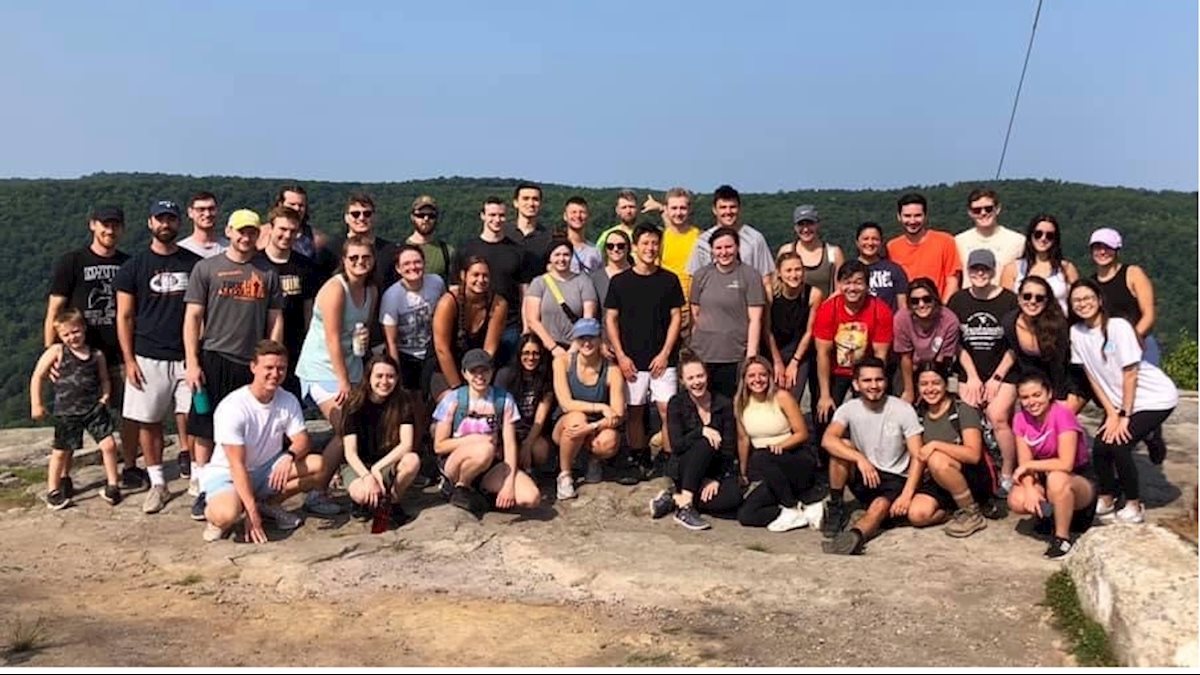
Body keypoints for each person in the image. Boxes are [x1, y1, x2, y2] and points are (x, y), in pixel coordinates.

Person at [184, 209, 284, 522]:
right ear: (228, 231)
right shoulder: (207, 268)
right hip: (214, 355)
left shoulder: (267, 272)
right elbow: (192, 317)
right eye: (240, 231)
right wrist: (191, 361)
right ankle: (203, 488)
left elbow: (275, 319)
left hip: (250, 362)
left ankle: (243, 486)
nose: (246, 237)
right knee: (204, 425)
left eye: (252, 232)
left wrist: (271, 359)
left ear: (259, 234)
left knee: (247, 426)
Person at [45, 204, 141, 490]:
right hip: (77, 356)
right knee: (71, 418)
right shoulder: (72, 262)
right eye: (104, 224)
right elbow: (54, 311)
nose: (109, 230)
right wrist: (52, 354)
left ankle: (131, 467)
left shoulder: (129, 263)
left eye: (115, 225)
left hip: (120, 353)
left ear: (122, 228)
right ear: (92, 225)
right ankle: (63, 477)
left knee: (129, 413)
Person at [115, 200, 202, 512]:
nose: (166, 224)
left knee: (194, 417)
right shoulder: (134, 267)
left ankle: (197, 475)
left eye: (171, 219)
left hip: (188, 356)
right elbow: (124, 316)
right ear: (150, 222)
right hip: (147, 355)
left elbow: (202, 313)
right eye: (160, 219)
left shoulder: (194, 264)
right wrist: (128, 359)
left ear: (179, 223)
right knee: (148, 421)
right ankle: (158, 484)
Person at [1068, 279, 1177, 524]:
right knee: (1099, 447)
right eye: (1077, 300)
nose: (1083, 304)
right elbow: (1092, 376)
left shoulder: (1118, 327)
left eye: (1088, 298)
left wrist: (1124, 416)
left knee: (1120, 445)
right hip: (1119, 403)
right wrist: (1111, 413)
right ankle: (1106, 496)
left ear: (1099, 299)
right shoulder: (1077, 333)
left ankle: (1134, 504)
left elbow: (1131, 373)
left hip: (1154, 398)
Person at [200, 340, 325, 543]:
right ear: (253, 367)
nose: (275, 374)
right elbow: (236, 463)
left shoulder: (288, 399)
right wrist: (249, 513)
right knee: (228, 514)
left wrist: (288, 455)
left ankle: (268, 504)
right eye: (269, 368)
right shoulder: (234, 406)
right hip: (228, 473)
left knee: (318, 465)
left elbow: (302, 439)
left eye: (281, 368)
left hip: (266, 469)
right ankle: (215, 512)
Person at [294, 236, 379, 517]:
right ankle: (316, 491)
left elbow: (358, 333)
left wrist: (362, 346)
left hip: (351, 366)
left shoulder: (371, 291)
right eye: (353, 258)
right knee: (346, 428)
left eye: (365, 258)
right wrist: (343, 381)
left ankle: (340, 478)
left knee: (360, 426)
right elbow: (331, 339)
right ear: (343, 260)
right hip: (322, 369)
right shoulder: (335, 289)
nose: (359, 263)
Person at [820, 357, 926, 555]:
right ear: (856, 384)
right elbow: (827, 440)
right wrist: (860, 459)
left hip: (895, 477)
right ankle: (836, 505)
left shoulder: (902, 409)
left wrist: (906, 494)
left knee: (879, 505)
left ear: (885, 382)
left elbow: (918, 455)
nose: (874, 385)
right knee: (841, 446)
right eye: (867, 381)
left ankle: (854, 537)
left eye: (878, 380)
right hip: (866, 471)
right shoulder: (848, 409)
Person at [605, 224, 685, 474]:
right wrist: (621, 355)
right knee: (635, 411)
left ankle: (669, 457)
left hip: (664, 359)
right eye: (645, 243)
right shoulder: (620, 282)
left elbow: (676, 318)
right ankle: (638, 456)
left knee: (667, 410)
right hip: (631, 359)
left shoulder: (669, 280)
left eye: (654, 243)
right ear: (636, 247)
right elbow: (610, 319)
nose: (650, 248)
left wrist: (665, 353)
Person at [1088, 227, 1167, 463]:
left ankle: (1150, 432)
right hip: (1110, 350)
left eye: (1107, 247)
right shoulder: (1090, 283)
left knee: (1141, 398)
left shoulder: (1132, 274)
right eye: (1097, 247)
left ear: (1117, 249)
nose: (1102, 251)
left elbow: (1149, 313)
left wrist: (1131, 339)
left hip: (1140, 344)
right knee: (1115, 401)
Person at [431, 349, 541, 515]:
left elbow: (510, 444)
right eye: (473, 371)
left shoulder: (504, 400)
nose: (479, 376)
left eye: (484, 371)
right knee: (485, 447)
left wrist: (508, 485)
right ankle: (459, 486)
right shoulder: (453, 399)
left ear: (492, 371)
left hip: (490, 464)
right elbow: (439, 446)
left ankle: (481, 494)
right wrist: (475, 440)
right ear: (464, 374)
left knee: (531, 497)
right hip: (456, 462)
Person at [30, 308, 121, 509]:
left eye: (76, 331)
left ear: (84, 328)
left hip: (93, 409)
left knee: (109, 445)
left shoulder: (96, 355)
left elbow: (104, 378)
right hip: (66, 411)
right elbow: (37, 376)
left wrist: (105, 396)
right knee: (61, 451)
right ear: (59, 336)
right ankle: (53, 491)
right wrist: (36, 404)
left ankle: (113, 485)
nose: (72, 337)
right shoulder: (57, 351)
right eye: (66, 334)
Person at [948, 250, 1020, 487]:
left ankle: (1008, 472)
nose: (980, 273)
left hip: (1004, 370)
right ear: (968, 271)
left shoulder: (1009, 300)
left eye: (985, 269)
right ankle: (979, 472)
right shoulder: (958, 300)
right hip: (969, 371)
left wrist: (996, 378)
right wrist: (972, 377)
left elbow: (1015, 345)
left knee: (997, 416)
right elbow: (955, 342)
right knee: (969, 417)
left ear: (993, 270)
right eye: (975, 269)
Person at [1006, 372, 1097, 559]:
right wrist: (1030, 488)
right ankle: (1048, 516)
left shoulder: (1063, 414)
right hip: (1045, 477)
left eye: (1036, 395)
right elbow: (1024, 462)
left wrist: (1030, 465)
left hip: (1077, 480)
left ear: (1049, 394)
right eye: (1025, 397)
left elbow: (1066, 463)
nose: (1031, 402)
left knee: (1057, 477)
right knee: (1017, 499)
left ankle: (1062, 538)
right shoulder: (1020, 419)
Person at [649, 351, 743, 531]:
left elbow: (729, 447)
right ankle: (685, 509)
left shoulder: (723, 404)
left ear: (707, 375)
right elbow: (677, 445)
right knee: (705, 441)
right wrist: (701, 431)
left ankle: (676, 499)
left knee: (733, 498)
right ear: (683, 381)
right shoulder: (676, 403)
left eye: (700, 376)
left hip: (713, 468)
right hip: (684, 466)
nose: (697, 382)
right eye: (691, 378)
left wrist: (714, 478)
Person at [733, 357, 824, 532]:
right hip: (770, 471)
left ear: (770, 376)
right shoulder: (740, 404)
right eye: (751, 375)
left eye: (762, 374)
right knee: (747, 515)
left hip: (794, 458)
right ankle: (805, 512)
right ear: (744, 379)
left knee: (761, 456)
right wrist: (743, 473)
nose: (757, 380)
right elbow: (743, 439)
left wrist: (782, 445)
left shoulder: (781, 397)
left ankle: (789, 506)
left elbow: (802, 433)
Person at [911, 361, 997, 538]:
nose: (930, 389)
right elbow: (918, 455)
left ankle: (971, 512)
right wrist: (907, 494)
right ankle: (952, 512)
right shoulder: (919, 414)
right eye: (924, 384)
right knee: (917, 515)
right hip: (938, 479)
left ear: (946, 384)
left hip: (970, 475)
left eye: (936, 383)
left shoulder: (962, 410)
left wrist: (936, 444)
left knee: (937, 459)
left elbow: (973, 455)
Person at [812, 262, 894, 437]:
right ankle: (823, 458)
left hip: (865, 369)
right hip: (835, 369)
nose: (852, 288)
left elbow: (881, 355)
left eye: (858, 282)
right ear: (839, 285)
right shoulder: (828, 309)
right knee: (824, 414)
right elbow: (823, 353)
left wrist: (874, 387)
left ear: (867, 285)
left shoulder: (880, 310)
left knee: (871, 415)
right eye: (847, 282)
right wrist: (825, 394)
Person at [339, 355, 421, 526]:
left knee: (412, 460)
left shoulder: (403, 401)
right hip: (358, 465)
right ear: (368, 378)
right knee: (362, 494)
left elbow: (406, 445)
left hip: (387, 461)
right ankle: (364, 502)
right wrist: (367, 476)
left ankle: (391, 502)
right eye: (379, 376)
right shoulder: (354, 404)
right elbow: (350, 452)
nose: (385, 381)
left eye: (390, 376)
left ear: (397, 379)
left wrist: (378, 468)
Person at [552, 318, 627, 500]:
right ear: (575, 341)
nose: (587, 343)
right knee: (577, 418)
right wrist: (600, 407)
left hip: (595, 428)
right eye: (581, 338)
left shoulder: (612, 370)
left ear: (600, 339)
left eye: (592, 337)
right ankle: (565, 474)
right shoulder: (562, 362)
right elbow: (566, 403)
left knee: (609, 439)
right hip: (566, 425)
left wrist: (592, 428)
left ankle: (593, 459)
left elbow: (618, 413)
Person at [689, 227, 766, 399]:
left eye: (728, 247)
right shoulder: (701, 275)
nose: (724, 252)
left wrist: (751, 356)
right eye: (718, 248)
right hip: (703, 353)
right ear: (712, 250)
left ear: (737, 247)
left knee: (733, 404)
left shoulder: (750, 275)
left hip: (735, 354)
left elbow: (755, 319)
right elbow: (695, 313)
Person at [456, 197, 532, 366]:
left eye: (501, 215)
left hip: (510, 326)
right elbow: (455, 290)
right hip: (474, 325)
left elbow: (525, 292)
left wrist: (526, 326)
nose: (497, 220)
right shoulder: (467, 249)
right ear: (482, 216)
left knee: (504, 377)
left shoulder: (517, 251)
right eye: (492, 215)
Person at [255, 205, 317, 401]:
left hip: (294, 347)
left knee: (288, 402)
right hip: (257, 344)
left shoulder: (305, 266)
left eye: (293, 231)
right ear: (271, 228)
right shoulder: (255, 263)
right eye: (282, 229)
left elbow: (309, 309)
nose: (287, 235)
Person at [431, 256, 507, 397]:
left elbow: (489, 350)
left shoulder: (498, 304)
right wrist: (458, 389)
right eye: (475, 275)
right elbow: (442, 349)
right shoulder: (448, 303)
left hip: (479, 367)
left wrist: (478, 380)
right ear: (463, 276)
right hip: (445, 366)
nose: (481, 280)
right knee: (453, 403)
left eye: (485, 276)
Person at [381, 244, 446, 394]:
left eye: (417, 262)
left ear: (424, 263)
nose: (413, 267)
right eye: (406, 264)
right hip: (406, 356)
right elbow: (390, 341)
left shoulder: (436, 283)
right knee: (413, 400)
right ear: (398, 269)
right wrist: (395, 373)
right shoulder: (392, 296)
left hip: (433, 351)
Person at [686, 185, 775, 292]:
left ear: (739, 208)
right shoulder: (703, 241)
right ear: (714, 210)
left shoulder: (755, 239)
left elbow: (766, 280)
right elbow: (694, 280)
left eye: (732, 207)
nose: (728, 212)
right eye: (723, 207)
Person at [764, 252, 823, 401]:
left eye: (798, 269)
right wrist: (777, 362)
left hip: (798, 351)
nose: (794, 275)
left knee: (792, 399)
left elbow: (809, 331)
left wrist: (795, 362)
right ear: (779, 273)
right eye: (788, 270)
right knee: (771, 398)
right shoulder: (769, 293)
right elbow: (767, 330)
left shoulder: (813, 294)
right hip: (772, 350)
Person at [524, 237, 599, 354]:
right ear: (550, 257)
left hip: (576, 346)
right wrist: (553, 347)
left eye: (566, 254)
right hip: (545, 347)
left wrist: (574, 347)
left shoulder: (584, 281)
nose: (562, 259)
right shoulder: (539, 283)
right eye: (557, 255)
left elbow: (588, 318)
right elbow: (532, 319)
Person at [893, 277, 961, 404]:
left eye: (927, 299)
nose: (921, 305)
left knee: (937, 396)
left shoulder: (950, 320)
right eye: (915, 301)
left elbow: (944, 359)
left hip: (939, 366)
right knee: (903, 398)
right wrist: (909, 391)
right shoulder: (901, 318)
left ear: (935, 299)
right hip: (910, 366)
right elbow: (905, 357)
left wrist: (929, 385)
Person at [494, 334, 555, 473]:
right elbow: (498, 410)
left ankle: (529, 469)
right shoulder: (505, 375)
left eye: (535, 353)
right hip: (507, 429)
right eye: (526, 353)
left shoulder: (545, 377)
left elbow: (540, 416)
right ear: (519, 354)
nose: (531, 358)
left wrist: (527, 443)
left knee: (541, 451)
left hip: (530, 430)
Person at [886, 193, 961, 302]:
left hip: (938, 309)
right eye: (907, 216)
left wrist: (943, 309)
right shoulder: (891, 247)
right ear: (899, 217)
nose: (912, 221)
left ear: (925, 216)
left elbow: (952, 280)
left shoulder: (945, 241)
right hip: (906, 312)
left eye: (917, 215)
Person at [999, 214, 1079, 313]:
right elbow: (1005, 305)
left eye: (1049, 235)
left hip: (1059, 325)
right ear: (1030, 235)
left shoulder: (1066, 269)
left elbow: (1078, 301)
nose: (1043, 238)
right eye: (1038, 234)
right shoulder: (1013, 269)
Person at [954, 188, 1025, 284]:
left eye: (988, 209)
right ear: (970, 213)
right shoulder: (958, 242)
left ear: (998, 209)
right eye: (977, 210)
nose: (983, 213)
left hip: (1004, 297)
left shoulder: (1018, 241)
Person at [776, 205, 844, 297]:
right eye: (801, 224)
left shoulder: (834, 253)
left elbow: (841, 289)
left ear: (818, 225)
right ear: (795, 227)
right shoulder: (785, 251)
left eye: (810, 223)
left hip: (825, 309)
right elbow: (777, 286)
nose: (805, 229)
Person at [856, 222, 908, 312]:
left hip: (888, 323)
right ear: (857, 242)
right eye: (865, 239)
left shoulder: (894, 270)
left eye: (875, 239)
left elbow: (903, 306)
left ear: (881, 242)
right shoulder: (850, 270)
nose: (870, 243)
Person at [403, 195, 455, 280]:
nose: (426, 219)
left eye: (431, 215)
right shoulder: (399, 250)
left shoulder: (448, 252)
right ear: (412, 217)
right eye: (421, 215)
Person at [507, 182, 553, 273]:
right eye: (525, 199)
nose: (531, 203)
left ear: (541, 204)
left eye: (535, 199)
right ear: (516, 203)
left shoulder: (549, 238)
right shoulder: (504, 233)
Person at [271, 184, 318, 260]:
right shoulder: (262, 234)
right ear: (280, 204)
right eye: (292, 204)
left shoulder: (316, 238)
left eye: (301, 205)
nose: (296, 209)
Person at [589, 228, 631, 308]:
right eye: (610, 246)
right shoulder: (594, 279)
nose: (615, 249)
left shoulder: (638, 275)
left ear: (628, 247)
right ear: (605, 249)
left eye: (620, 246)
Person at [178, 192, 228, 259]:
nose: (207, 214)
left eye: (211, 209)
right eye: (201, 209)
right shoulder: (181, 250)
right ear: (190, 213)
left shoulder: (229, 249)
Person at [561, 196, 602, 274]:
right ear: (565, 216)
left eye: (582, 212)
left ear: (588, 216)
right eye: (573, 212)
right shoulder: (557, 248)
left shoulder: (595, 251)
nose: (578, 216)